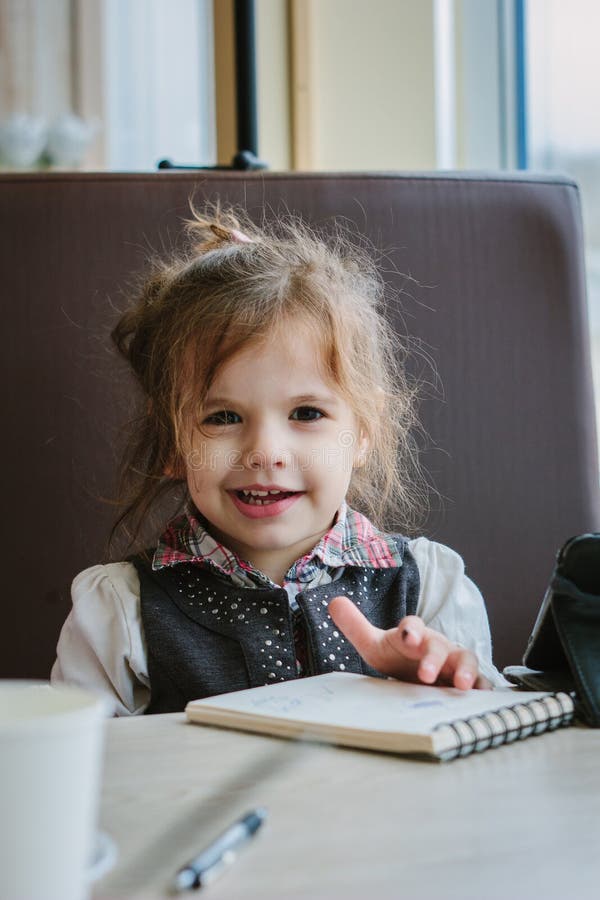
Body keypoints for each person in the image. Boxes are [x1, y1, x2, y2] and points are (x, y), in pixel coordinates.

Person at [51, 207, 507, 715]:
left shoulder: (430, 588)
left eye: (306, 413)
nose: (266, 452)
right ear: (169, 443)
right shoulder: (119, 612)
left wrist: (438, 687)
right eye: (223, 416)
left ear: (364, 432)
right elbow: (78, 772)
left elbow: (489, 750)